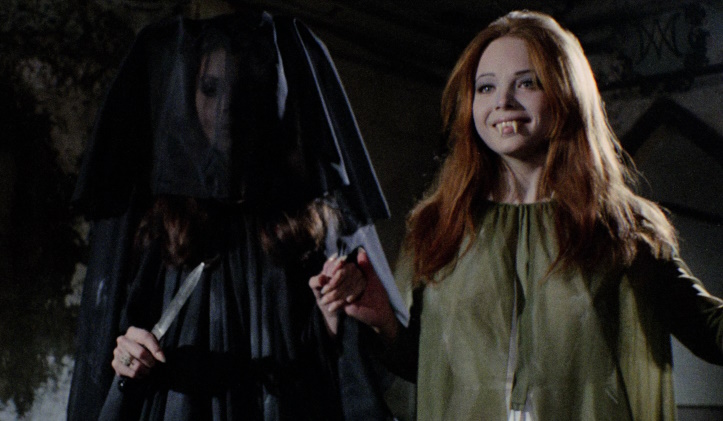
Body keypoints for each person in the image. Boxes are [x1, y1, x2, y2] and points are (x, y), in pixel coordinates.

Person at [313, 10, 723, 420]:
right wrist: (383, 318)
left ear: (566, 92)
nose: (502, 102)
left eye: (527, 83)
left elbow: (708, 331)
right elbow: (426, 368)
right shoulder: (441, 224)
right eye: (486, 87)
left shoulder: (620, 227)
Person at [67, 4, 407, 420]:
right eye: (211, 89)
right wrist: (129, 354)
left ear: (266, 97)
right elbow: (121, 341)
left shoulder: (307, 221)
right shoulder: (161, 221)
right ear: (189, 98)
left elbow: (330, 370)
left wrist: (334, 311)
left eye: (243, 86)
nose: (226, 106)